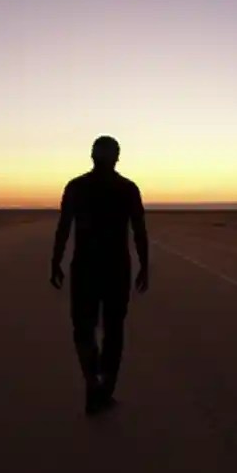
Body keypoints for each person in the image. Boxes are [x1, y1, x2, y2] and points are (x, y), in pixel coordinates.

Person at [50, 135, 149, 415]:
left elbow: (63, 229)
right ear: (117, 157)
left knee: (85, 327)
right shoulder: (126, 188)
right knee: (112, 329)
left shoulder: (77, 187)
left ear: (92, 156)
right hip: (114, 269)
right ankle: (102, 387)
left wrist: (55, 261)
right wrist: (144, 266)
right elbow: (139, 232)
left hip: (87, 268)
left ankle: (94, 382)